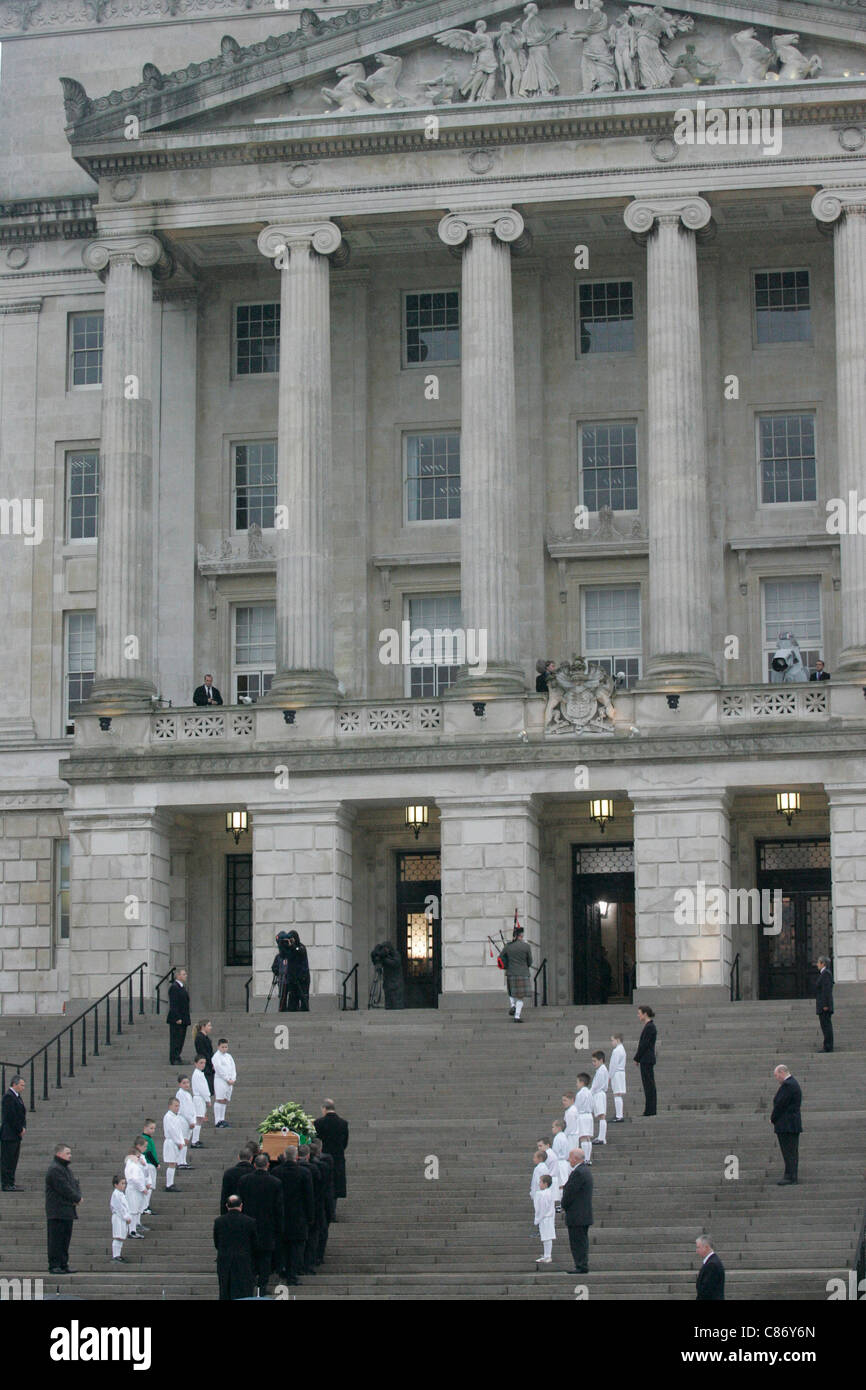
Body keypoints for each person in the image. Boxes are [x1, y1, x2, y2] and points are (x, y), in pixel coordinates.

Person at [238, 1154, 284, 1298]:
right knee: (265, 1258)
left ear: (255, 1165)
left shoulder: (244, 1180)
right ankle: (262, 1286)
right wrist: (279, 1227)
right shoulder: (275, 1182)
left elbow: (240, 1203)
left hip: (247, 1225)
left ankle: (250, 1283)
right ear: (267, 1165)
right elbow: (279, 1208)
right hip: (267, 1227)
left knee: (250, 1257)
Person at [276, 1145, 315, 1285]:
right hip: (299, 1216)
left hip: (281, 1215)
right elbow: (309, 1196)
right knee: (296, 1246)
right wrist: (311, 1215)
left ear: (285, 1156)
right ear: (297, 1156)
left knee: (283, 1245)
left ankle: (283, 1269)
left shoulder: (276, 1171)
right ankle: (292, 1274)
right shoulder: (304, 1173)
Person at [45, 1142, 81, 1273]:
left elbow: (75, 1184)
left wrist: (78, 1196)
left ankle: (63, 1264)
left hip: (67, 1210)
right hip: (57, 1211)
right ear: (59, 1154)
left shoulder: (66, 1169)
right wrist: (76, 1198)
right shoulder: (55, 1169)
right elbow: (63, 1188)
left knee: (65, 1239)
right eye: (67, 1153)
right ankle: (55, 1265)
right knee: (56, 1239)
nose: (70, 1156)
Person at [213, 1195, 258, 1301]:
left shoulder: (219, 1221)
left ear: (226, 1206)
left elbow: (217, 1243)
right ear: (241, 1205)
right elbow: (255, 1244)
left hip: (225, 1262)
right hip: (244, 1262)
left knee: (225, 1291)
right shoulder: (250, 1222)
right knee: (244, 1292)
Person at [561, 1148, 593, 1274]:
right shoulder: (585, 1171)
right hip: (583, 1214)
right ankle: (581, 1264)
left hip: (577, 1214)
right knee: (581, 1241)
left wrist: (563, 1204)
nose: (569, 1160)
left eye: (570, 1157)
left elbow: (570, 1192)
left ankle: (581, 1265)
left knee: (577, 1242)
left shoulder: (578, 1172)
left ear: (575, 1158)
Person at [771, 1064, 802, 1185]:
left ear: (782, 1072)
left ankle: (790, 1176)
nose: (776, 1078)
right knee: (791, 1151)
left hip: (787, 1124)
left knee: (789, 1151)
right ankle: (791, 1175)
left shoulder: (788, 1085)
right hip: (791, 1124)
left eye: (776, 1075)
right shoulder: (793, 1083)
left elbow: (780, 1104)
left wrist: (773, 1118)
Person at [313, 1099, 349, 1203]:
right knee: (336, 1185)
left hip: (322, 1157)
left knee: (325, 1184)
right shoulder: (343, 1123)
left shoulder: (318, 1123)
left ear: (324, 1108)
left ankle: (326, 1211)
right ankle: (333, 1210)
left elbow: (315, 1141)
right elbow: (345, 1142)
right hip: (338, 1157)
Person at [500, 924, 533, 1022]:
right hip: (522, 973)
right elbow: (530, 961)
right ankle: (517, 1016)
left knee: (511, 993)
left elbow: (501, 958)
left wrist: (507, 965)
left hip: (510, 972)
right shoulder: (526, 946)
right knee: (520, 997)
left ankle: (512, 1005)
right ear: (521, 935)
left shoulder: (508, 946)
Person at [1, 1074, 26, 1191]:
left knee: (13, 1160)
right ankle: (6, 1183)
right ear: (14, 1084)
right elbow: (11, 1116)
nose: (23, 1087)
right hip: (9, 1134)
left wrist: (23, 1127)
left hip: (15, 1134)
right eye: (22, 1085)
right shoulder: (8, 1097)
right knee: (8, 1159)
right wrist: (20, 1129)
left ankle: (11, 1182)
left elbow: (21, 1115)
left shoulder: (17, 1097)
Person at [123, 1139, 151, 1237]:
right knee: (132, 1210)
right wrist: (142, 1188)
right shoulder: (131, 1165)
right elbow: (134, 1179)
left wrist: (144, 1166)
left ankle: (133, 1230)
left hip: (137, 1190)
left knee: (136, 1210)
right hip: (133, 1190)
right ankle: (131, 1231)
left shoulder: (137, 1165)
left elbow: (145, 1174)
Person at [634, 1005, 657, 1116]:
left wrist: (637, 1058)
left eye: (639, 1013)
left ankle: (651, 1109)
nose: (638, 1015)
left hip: (646, 1059)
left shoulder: (649, 1027)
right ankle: (649, 1109)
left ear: (645, 1014)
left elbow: (644, 1045)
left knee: (649, 1085)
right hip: (646, 1059)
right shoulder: (649, 1026)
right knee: (648, 1085)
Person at [167, 967, 191, 1065]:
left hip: (183, 1018)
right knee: (176, 1038)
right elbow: (173, 1004)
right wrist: (177, 1017)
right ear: (178, 976)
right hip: (177, 1019)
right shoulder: (174, 987)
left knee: (180, 1039)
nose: (186, 976)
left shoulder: (181, 987)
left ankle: (177, 1056)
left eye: (185, 974)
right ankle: (174, 1057)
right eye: (183, 974)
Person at [220, 1147, 255, 1213]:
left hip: (233, 1211)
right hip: (251, 1212)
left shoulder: (229, 1173)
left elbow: (224, 1195)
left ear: (238, 1157)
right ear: (251, 1158)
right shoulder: (254, 1173)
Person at [370, 941, 404, 1008]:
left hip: (396, 984)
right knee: (388, 1004)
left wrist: (384, 959)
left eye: (386, 949)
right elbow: (375, 960)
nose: (385, 951)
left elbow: (395, 963)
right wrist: (375, 954)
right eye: (384, 949)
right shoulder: (385, 956)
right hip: (388, 983)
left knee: (396, 1005)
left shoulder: (395, 954)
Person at [162, 1097, 186, 1191]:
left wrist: (181, 1141)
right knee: (171, 1163)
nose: (177, 1108)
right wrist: (178, 1142)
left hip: (175, 1141)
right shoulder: (168, 1116)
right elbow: (172, 1131)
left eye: (178, 1106)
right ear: (170, 1106)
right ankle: (169, 1184)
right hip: (171, 1141)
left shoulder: (175, 1117)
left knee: (173, 1163)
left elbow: (179, 1131)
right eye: (175, 1106)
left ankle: (171, 1183)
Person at [284, 931, 311, 1012]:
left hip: (303, 978)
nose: (290, 941)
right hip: (292, 978)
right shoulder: (289, 950)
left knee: (303, 999)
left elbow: (300, 952)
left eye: (291, 939)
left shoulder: (301, 947)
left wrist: (293, 945)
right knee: (292, 999)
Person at [533, 1172, 557, 1266]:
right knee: (546, 1237)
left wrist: (538, 1219)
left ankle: (548, 1255)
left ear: (545, 1184)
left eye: (540, 1182)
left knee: (546, 1237)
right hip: (548, 1217)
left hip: (545, 1218)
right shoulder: (549, 1193)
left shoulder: (543, 1194)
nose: (539, 1184)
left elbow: (542, 1208)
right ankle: (547, 1255)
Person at [213, 1038, 237, 1127]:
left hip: (229, 1081)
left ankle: (222, 1119)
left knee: (225, 1100)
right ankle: (217, 1120)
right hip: (220, 1080)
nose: (224, 1049)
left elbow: (233, 1068)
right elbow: (219, 1069)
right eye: (222, 1047)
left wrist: (233, 1078)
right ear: (218, 1047)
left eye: (226, 1047)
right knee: (220, 1099)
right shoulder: (216, 1057)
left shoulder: (229, 1056)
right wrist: (227, 1079)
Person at [695, 1235, 725, 1300]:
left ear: (706, 1247)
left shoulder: (712, 1265)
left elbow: (706, 1290)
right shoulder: (712, 1261)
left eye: (698, 1247)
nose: (696, 1251)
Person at [110, 1175, 132, 1263]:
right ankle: (115, 1256)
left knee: (121, 1237)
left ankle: (118, 1254)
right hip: (118, 1217)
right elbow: (119, 1208)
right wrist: (126, 1217)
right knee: (117, 1236)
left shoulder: (121, 1194)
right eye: (122, 1183)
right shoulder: (116, 1194)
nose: (124, 1185)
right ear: (116, 1185)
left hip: (122, 1218)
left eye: (124, 1183)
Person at [175, 1075, 196, 1168]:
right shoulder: (180, 1094)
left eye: (187, 1082)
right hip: (183, 1119)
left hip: (189, 1120)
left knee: (186, 1141)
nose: (186, 1085)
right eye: (184, 1083)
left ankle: (183, 1160)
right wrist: (190, 1120)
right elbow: (183, 1109)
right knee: (182, 1140)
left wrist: (193, 1120)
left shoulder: (188, 1094)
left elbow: (192, 1109)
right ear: (179, 1084)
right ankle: (180, 1161)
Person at [191, 1056, 211, 1147]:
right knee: (198, 1119)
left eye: (204, 1063)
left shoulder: (200, 1073)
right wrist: (208, 1099)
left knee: (199, 1120)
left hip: (200, 1098)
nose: (203, 1065)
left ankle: (196, 1139)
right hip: (199, 1098)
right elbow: (202, 1089)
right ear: (196, 1064)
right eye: (200, 1063)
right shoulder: (197, 1074)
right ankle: (194, 1140)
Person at [590, 1051, 610, 1145]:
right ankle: (601, 1137)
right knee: (601, 1116)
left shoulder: (602, 1070)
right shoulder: (601, 1070)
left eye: (595, 1061)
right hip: (599, 1093)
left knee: (602, 1116)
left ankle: (602, 1138)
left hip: (599, 1094)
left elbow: (596, 1086)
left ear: (601, 1060)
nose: (593, 1063)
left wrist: (589, 1094)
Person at [815, 955, 834, 1052]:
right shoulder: (824, 973)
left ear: (823, 964)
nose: (817, 964)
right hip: (823, 1005)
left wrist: (825, 1005)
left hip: (824, 1006)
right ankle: (827, 1045)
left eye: (818, 962)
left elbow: (826, 990)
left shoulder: (826, 974)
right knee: (825, 1026)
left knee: (826, 1026)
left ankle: (828, 1046)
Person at [272, 932, 294, 1012]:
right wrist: (277, 972)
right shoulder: (278, 957)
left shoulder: (291, 955)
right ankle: (282, 1008)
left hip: (291, 978)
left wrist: (291, 945)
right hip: (282, 980)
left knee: (292, 995)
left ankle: (291, 1008)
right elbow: (274, 967)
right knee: (283, 996)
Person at [575, 1073, 594, 1163]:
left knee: (583, 1137)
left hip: (582, 1115)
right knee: (588, 1137)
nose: (576, 1084)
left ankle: (585, 1158)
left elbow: (577, 1106)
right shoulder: (590, 1092)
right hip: (589, 1116)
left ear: (582, 1082)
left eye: (577, 1082)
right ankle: (588, 1158)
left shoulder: (580, 1094)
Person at [141, 1119, 159, 1207]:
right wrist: (156, 1163)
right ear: (145, 1127)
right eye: (151, 1128)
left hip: (147, 1164)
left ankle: (145, 1206)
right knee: (150, 1185)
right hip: (149, 1164)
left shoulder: (147, 1138)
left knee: (148, 1185)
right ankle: (145, 1206)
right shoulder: (146, 1139)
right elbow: (148, 1152)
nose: (153, 1130)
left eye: (154, 1128)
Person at [609, 1033, 627, 1122]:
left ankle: (619, 1115)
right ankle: (619, 1114)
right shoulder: (622, 1049)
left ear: (618, 1040)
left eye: (612, 1040)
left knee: (616, 1094)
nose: (612, 1042)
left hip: (616, 1073)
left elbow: (613, 1065)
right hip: (621, 1073)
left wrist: (609, 1076)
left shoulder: (616, 1051)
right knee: (618, 1094)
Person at [194, 1019, 215, 1089]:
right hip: (206, 1066)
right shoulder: (200, 1037)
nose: (210, 1027)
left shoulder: (205, 1037)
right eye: (208, 1025)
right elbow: (204, 1052)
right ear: (203, 1027)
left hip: (208, 1065)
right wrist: (211, 1063)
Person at [551, 1118, 570, 1192]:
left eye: (553, 1127)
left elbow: (555, 1152)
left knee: (561, 1184)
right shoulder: (564, 1137)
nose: (552, 1129)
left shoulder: (558, 1138)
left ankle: (561, 1201)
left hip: (560, 1163)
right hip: (564, 1163)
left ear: (559, 1128)